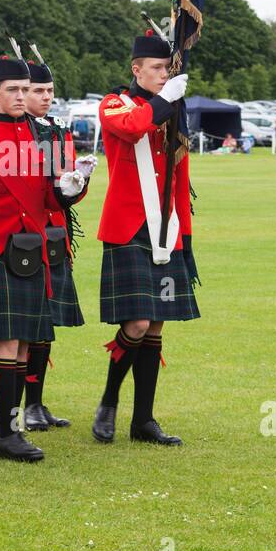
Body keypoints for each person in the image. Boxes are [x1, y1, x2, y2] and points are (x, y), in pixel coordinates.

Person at [0, 55, 88, 463]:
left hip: (30, 252)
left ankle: (14, 428)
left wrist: (69, 188)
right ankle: (6, 433)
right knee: (8, 343)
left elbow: (47, 200)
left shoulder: (40, 137)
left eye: (27, 90)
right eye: (13, 89)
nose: (22, 96)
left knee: (25, 344)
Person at [92, 32, 200, 446]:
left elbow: (180, 178)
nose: (163, 74)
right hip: (127, 227)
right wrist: (164, 99)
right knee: (135, 324)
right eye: (156, 68)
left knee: (155, 326)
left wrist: (184, 237)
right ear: (136, 69)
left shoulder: (173, 111)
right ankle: (109, 399)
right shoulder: (114, 102)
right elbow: (134, 128)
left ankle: (144, 420)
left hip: (165, 227)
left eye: (168, 68)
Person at [20, 59, 97, 431]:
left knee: (46, 324)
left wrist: (78, 182)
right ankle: (23, 406)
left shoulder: (59, 131)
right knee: (28, 326)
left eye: (49, 90)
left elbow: (61, 194)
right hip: (24, 235)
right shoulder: (19, 132)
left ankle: (35, 403)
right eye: (38, 90)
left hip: (55, 233)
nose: (46, 96)